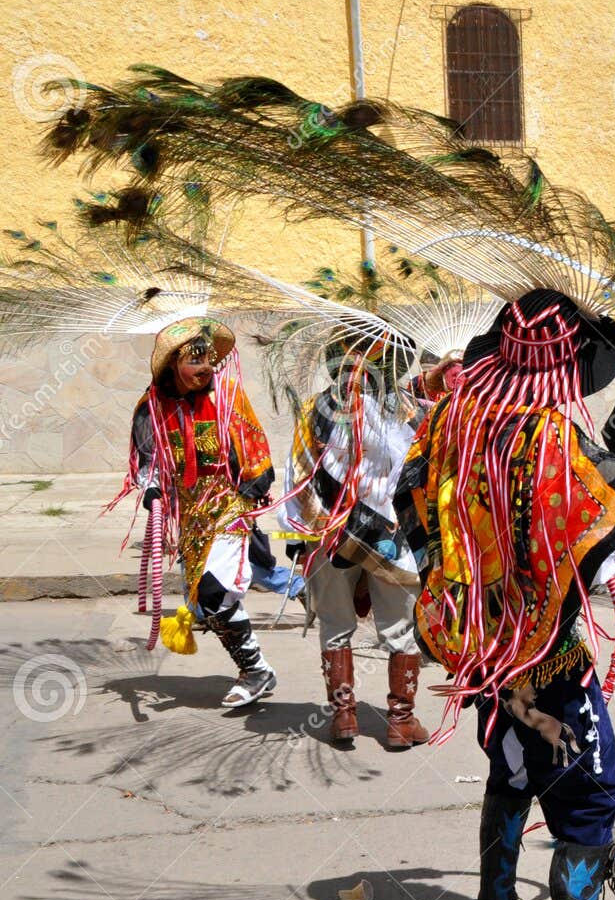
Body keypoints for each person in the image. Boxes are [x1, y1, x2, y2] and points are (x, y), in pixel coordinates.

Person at [398, 290, 615, 900]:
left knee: (513, 771)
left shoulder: (449, 421)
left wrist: (466, 581)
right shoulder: (551, 437)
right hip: (546, 659)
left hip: (483, 653)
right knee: (591, 791)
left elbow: (410, 505)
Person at [281, 337, 430, 749]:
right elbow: (424, 476)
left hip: (330, 533)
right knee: (401, 627)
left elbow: (299, 475)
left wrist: (306, 531)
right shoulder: (413, 411)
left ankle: (344, 717)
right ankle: (400, 720)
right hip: (391, 537)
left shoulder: (316, 409)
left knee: (335, 624)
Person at [125, 318, 278, 708]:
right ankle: (255, 670)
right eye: (196, 360)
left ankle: (255, 671)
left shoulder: (227, 394)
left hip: (229, 504)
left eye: (210, 359)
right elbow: (148, 461)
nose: (207, 367)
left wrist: (252, 487)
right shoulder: (152, 407)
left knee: (213, 591)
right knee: (209, 604)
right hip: (190, 517)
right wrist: (152, 488)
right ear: (173, 364)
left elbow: (253, 444)